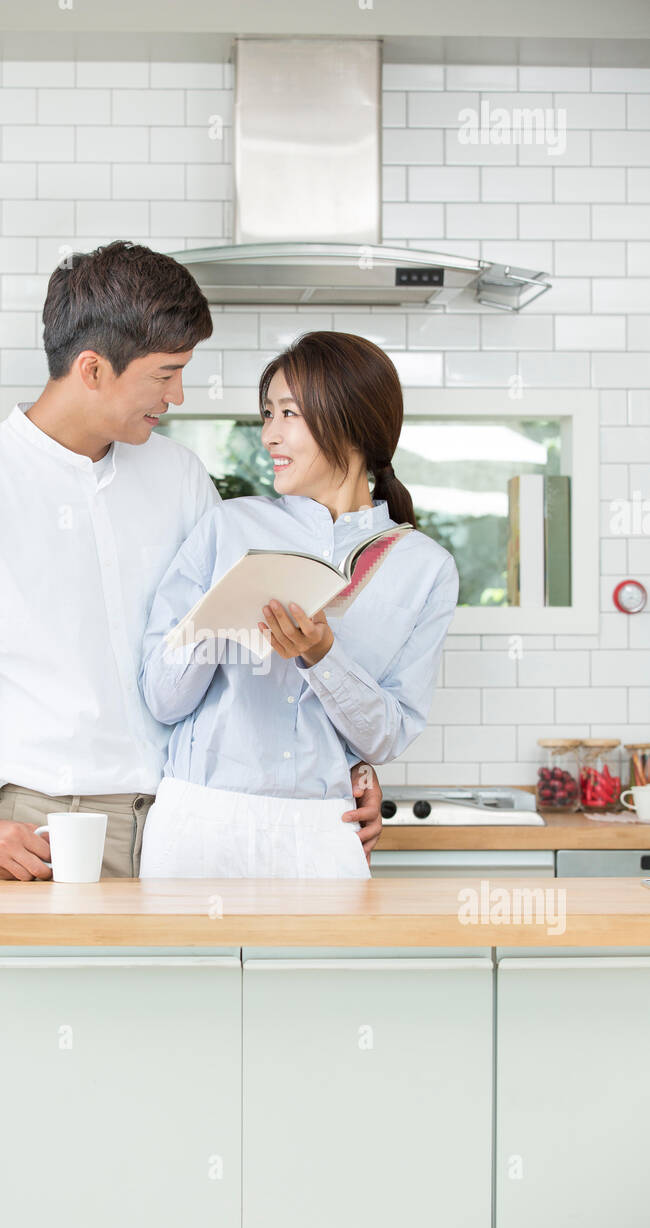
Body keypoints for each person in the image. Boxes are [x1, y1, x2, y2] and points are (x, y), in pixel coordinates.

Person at [0, 244, 385, 880]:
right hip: (52, 833)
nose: (180, 395)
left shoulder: (179, 476)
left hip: (196, 821)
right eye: (165, 374)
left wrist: (348, 767)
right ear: (92, 370)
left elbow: (241, 646)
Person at [138, 331, 459, 880]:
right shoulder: (228, 527)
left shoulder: (423, 567)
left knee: (312, 971)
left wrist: (323, 657)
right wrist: (220, 620)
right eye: (268, 414)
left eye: (288, 413)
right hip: (198, 817)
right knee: (185, 968)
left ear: (352, 420)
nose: (269, 435)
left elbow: (385, 736)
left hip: (322, 830)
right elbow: (162, 700)